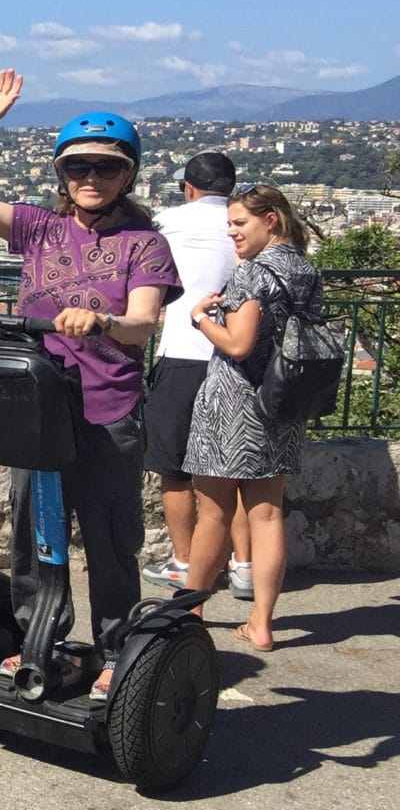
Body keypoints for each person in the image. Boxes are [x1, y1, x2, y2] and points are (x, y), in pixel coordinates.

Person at [0, 70, 180, 699]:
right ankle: (37, 641)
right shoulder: (39, 229)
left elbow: (142, 324)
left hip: (107, 410)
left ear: (126, 176)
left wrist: (102, 318)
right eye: (78, 167)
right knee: (32, 535)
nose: (91, 179)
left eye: (106, 168)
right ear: (62, 173)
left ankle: (114, 650)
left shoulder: (145, 243)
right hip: (39, 408)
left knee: (109, 539)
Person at [182, 184, 326, 652]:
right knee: (266, 515)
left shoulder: (252, 275)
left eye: (240, 223)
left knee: (213, 514)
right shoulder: (305, 270)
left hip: (234, 403)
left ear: (272, 220)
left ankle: (188, 614)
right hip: (283, 403)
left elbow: (239, 345)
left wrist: (200, 318)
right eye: (229, 225)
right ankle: (261, 623)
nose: (232, 234)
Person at [141, 152, 252, 599]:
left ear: (188, 188)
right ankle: (244, 566)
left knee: (173, 469)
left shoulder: (168, 221)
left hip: (184, 354)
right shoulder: (246, 224)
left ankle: (185, 563)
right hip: (240, 359)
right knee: (237, 469)